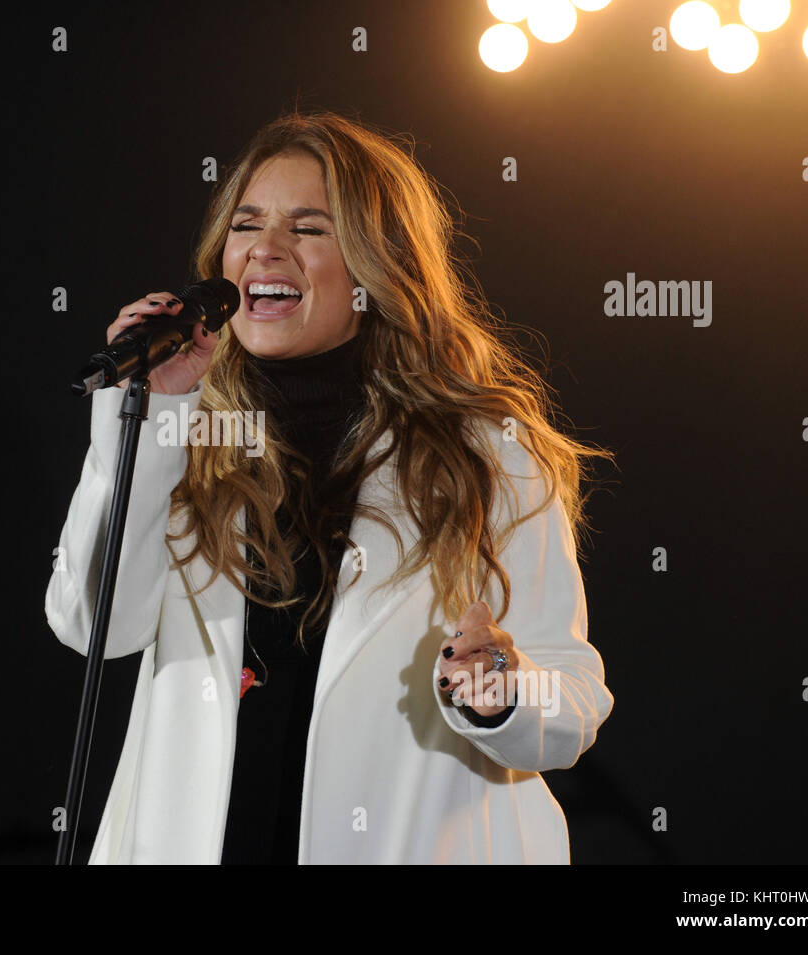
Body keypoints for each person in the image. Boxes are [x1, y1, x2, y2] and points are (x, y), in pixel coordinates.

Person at [45, 111, 616, 864]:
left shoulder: (488, 457)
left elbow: (572, 702)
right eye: (246, 225)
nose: (265, 250)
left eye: (309, 228)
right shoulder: (181, 435)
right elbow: (95, 625)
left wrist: (502, 689)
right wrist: (145, 417)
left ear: (377, 265)